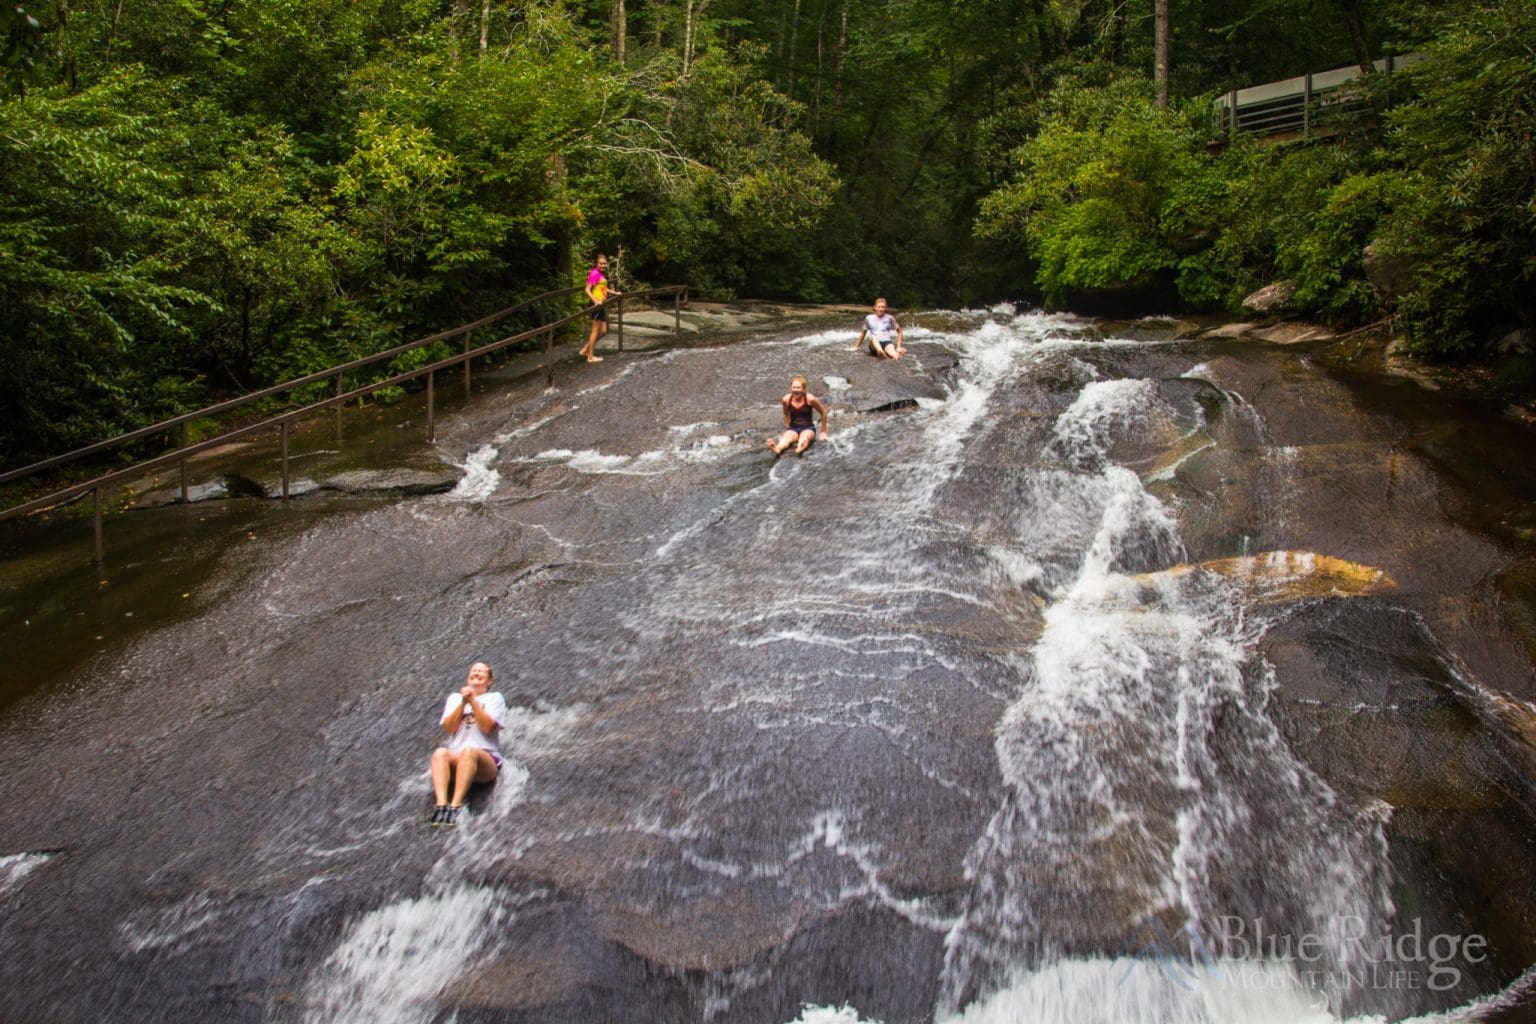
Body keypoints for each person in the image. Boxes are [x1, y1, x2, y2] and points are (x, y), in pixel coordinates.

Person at [428, 662, 508, 826]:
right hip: (458, 757)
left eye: (481, 671)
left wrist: (473, 701)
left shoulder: (495, 698)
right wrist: (463, 703)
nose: (476, 673)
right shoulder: (455, 698)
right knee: (440, 753)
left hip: (485, 759)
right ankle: (441, 805)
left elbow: (487, 727)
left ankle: (456, 805)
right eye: (473, 670)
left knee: (470, 751)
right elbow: (449, 728)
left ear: (489, 681)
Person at [767, 375, 829, 456]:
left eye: (799, 388)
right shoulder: (786, 399)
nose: (796, 390)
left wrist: (823, 432)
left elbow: (823, 412)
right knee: (786, 438)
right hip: (793, 428)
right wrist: (787, 427)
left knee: (805, 437)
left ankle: (800, 447)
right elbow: (785, 413)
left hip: (808, 428)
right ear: (791, 388)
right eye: (794, 387)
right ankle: (777, 448)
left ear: (804, 389)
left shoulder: (810, 399)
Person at [579, 253, 620, 363]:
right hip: (596, 305)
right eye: (601, 263)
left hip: (601, 304)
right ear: (596, 264)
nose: (603, 265)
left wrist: (616, 293)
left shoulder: (601, 274)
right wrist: (595, 301)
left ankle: (585, 350)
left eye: (604, 263)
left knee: (603, 331)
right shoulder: (594, 274)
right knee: (595, 331)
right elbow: (587, 289)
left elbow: (604, 289)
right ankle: (590, 356)